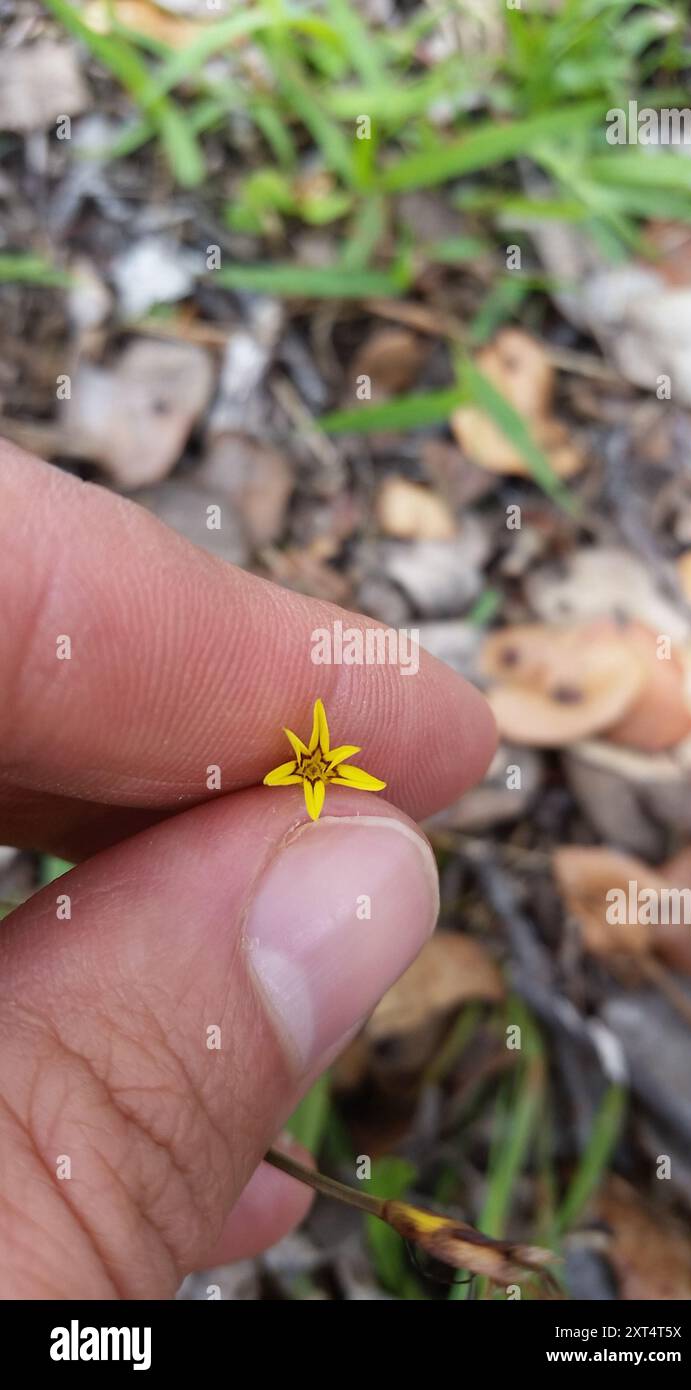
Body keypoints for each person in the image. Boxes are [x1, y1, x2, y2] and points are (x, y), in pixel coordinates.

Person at [0, 442, 495, 1299]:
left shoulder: (315, 770)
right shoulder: (301, 766)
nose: (312, 773)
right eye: (311, 770)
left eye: (318, 771)